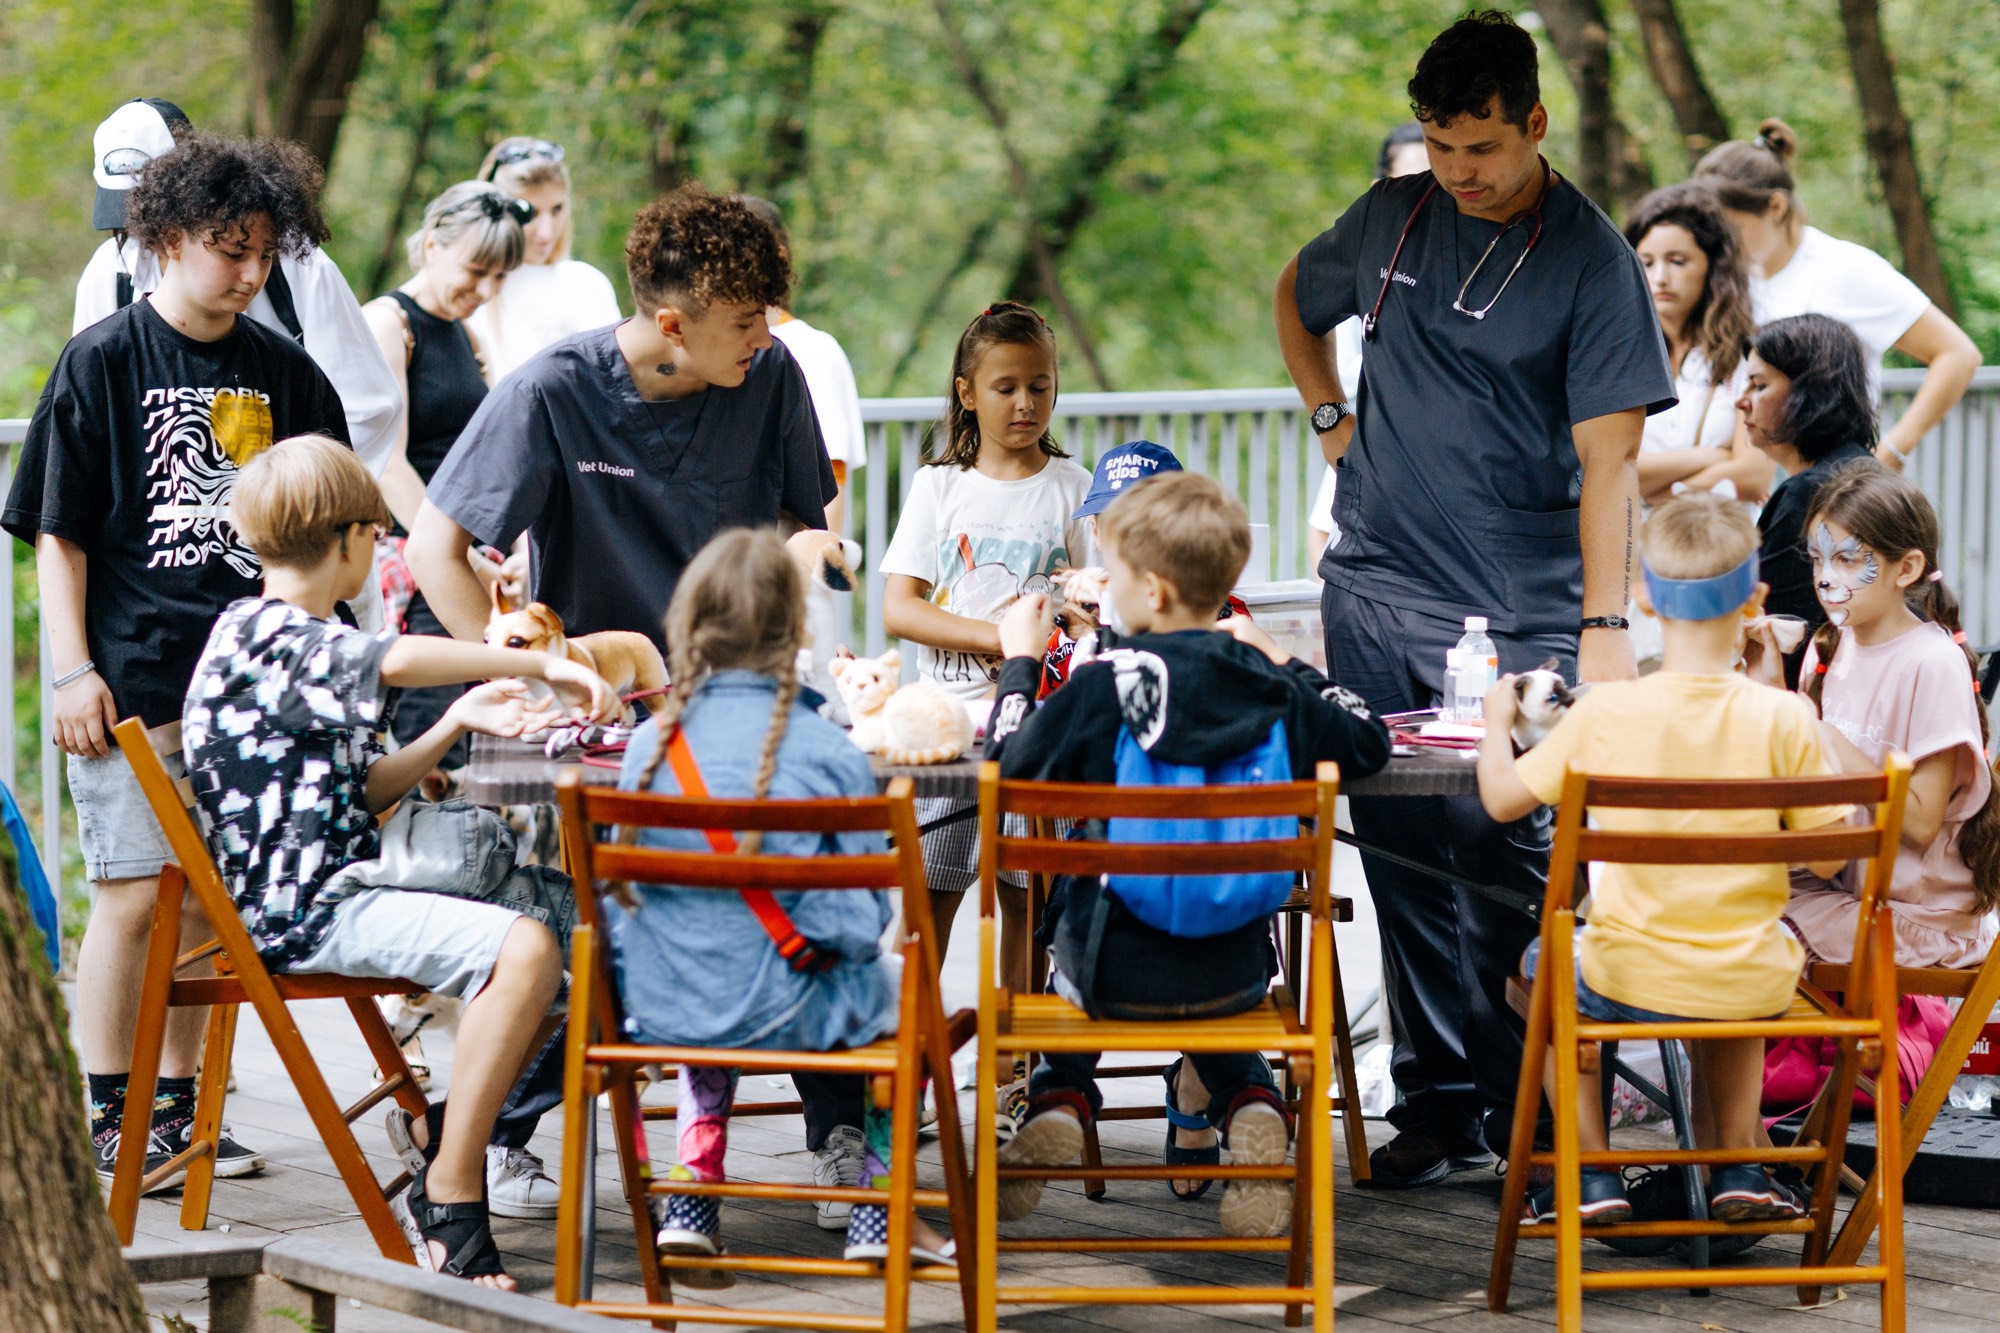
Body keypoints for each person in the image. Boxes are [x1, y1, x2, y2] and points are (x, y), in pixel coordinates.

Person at [403, 181, 861, 1224]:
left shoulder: (771, 374)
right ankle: (498, 1131)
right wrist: (521, 670)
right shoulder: (551, 390)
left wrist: (816, 559)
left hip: (743, 695)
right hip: (599, 721)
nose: (763, 338)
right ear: (672, 323)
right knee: (592, 917)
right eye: (743, 323)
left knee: (814, 860)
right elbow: (436, 546)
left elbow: (803, 523)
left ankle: (840, 1132)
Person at [1272, 10, 1675, 1186]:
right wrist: (1331, 422)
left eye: (1480, 151)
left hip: (1522, 596)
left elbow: (1610, 461)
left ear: (1532, 125)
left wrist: (1604, 629)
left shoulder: (1592, 261)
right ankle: (1436, 1103)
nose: (1459, 174)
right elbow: (1298, 292)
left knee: (1502, 834)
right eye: (1442, 149)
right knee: (1395, 843)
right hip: (1378, 577)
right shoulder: (1396, 217)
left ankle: (1534, 1108)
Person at [184, 435, 616, 1289]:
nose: (379, 551)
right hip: (310, 906)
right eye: (377, 538)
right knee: (526, 946)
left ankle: (447, 1129)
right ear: (347, 540)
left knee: (609, 930)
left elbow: (367, 787)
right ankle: (452, 1195)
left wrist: (457, 722)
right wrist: (539, 662)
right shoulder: (264, 635)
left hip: (358, 871)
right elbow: (399, 657)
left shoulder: (309, 637)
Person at [6, 131, 351, 1191]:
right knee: (132, 890)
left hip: (248, 688)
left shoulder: (285, 372)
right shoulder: (102, 359)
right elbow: (57, 533)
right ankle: (110, 1113)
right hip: (133, 674)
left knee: (211, 899)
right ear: (163, 240)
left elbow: (336, 525)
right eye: (225, 247)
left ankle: (185, 1111)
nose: (247, 273)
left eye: (262, 253)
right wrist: (71, 669)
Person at [982, 471, 1391, 1237]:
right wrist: (1280, 656)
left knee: (1080, 926)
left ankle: (1059, 1094)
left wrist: (1021, 660)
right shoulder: (1267, 686)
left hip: (1109, 972)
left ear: (1155, 592)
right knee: (1216, 972)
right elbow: (1369, 736)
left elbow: (1004, 765)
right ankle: (1254, 1100)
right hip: (1234, 972)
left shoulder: (1108, 680)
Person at [1477, 491, 1850, 1223]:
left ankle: (1593, 1172)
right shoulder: (1784, 716)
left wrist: (1497, 720)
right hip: (1745, 973)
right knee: (1748, 951)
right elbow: (1834, 860)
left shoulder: (1609, 711)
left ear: (1645, 595)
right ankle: (1737, 1163)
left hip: (1625, 971)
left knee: (1537, 970)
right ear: (1755, 597)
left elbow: (1500, 800)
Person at [611, 527, 954, 1277]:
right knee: (905, 992)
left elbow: (626, 907)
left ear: (688, 625)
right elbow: (864, 920)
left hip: (663, 1005)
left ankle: (696, 1187)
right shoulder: (831, 752)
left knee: (716, 960)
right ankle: (876, 1204)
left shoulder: (645, 747)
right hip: (800, 1009)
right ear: (799, 631)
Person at [879, 301, 1091, 990]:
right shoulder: (938, 487)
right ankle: (910, 1062)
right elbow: (899, 607)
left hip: (1038, 730)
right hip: (947, 730)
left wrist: (1061, 633)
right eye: (1005, 387)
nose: (1026, 402)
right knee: (930, 899)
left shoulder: (1074, 490)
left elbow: (1093, 609)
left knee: (1030, 901)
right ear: (968, 395)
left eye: (1040, 385)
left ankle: (1018, 1072)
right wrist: (1005, 640)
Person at [74, 99, 403, 482]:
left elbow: (366, 405)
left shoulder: (293, 264)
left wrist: (298, 496)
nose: (139, 231)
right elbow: (92, 414)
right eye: (125, 215)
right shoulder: (108, 272)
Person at [1781, 466, 1999, 970]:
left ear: (1907, 569)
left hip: (1918, 917)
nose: (1824, 577)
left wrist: (1823, 735)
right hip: (1846, 892)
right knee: (1711, 910)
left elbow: (1921, 822)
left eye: (1847, 559)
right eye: (1817, 559)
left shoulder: (1931, 661)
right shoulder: (1829, 647)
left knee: (1742, 943)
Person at [1692, 118, 1981, 471]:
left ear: (1777, 208)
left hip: (1836, 483)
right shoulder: (1739, 282)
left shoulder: (1845, 269)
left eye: (1734, 229)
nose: (1725, 245)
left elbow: (1958, 354)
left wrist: (1894, 450)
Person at [363, 181, 528, 769]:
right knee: (431, 741)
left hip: (470, 561)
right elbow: (386, 464)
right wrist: (453, 548)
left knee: (482, 731)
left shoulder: (468, 333)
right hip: (417, 564)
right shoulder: (387, 325)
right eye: (477, 270)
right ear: (433, 245)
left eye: (500, 277)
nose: (485, 291)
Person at [1622, 183, 1769, 664]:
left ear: (1712, 266)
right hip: (1635, 561)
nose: (1660, 276)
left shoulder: (1747, 354)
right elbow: (1599, 469)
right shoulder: (1617, 351)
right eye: (1646, 262)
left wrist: (1650, 484)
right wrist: (1710, 457)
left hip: (1719, 556)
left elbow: (1752, 476)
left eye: (1678, 261)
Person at [1736, 314, 1885, 686]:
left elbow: (1778, 632)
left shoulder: (1811, 493)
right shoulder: (1861, 470)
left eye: (1758, 385)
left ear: (1810, 392)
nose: (1741, 401)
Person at [1307, 120, 1430, 557]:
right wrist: (1330, 423)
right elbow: (1293, 296)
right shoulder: (1362, 262)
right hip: (1368, 464)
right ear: (1382, 187)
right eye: (1412, 178)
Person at [741, 196, 867, 538]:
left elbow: (830, 486)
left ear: (778, 259)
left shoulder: (813, 351)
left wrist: (807, 584)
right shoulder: (704, 351)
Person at [465, 136, 623, 385]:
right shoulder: (475, 289)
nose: (547, 231)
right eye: (530, 213)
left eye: (557, 209)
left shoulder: (588, 283)